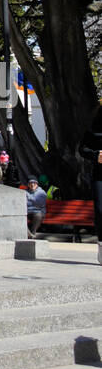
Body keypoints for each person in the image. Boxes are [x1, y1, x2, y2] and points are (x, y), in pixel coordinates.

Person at [79, 107, 102, 266]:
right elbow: (82, 149)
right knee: (100, 210)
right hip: (100, 175)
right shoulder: (95, 128)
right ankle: (101, 244)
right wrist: (96, 154)